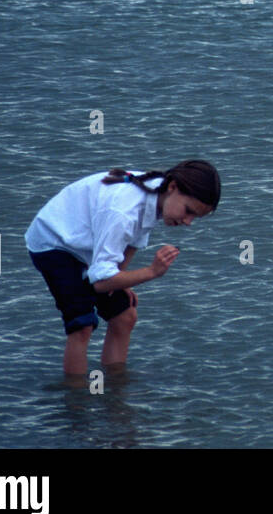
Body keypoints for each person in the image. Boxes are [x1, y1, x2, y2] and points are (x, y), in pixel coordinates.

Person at [26, 160, 221, 375]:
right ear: (173, 187)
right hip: (54, 241)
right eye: (188, 211)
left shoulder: (158, 191)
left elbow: (132, 242)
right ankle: (77, 402)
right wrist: (152, 272)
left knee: (124, 316)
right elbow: (100, 283)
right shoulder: (123, 211)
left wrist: (120, 277)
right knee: (82, 325)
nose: (188, 222)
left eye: (195, 217)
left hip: (88, 242)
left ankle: (115, 395)